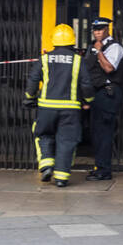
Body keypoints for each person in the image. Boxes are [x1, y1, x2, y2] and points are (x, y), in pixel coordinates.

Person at [24, 23, 93, 187]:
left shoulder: (45, 58)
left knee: (44, 135)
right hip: (70, 109)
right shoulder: (78, 60)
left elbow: (33, 80)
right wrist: (88, 101)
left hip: (46, 108)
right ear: (72, 41)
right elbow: (86, 84)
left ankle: (46, 166)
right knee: (67, 140)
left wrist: (29, 98)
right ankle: (61, 177)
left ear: (53, 40)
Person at [85, 15, 123, 181]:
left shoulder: (115, 47)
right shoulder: (93, 46)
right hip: (96, 94)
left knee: (104, 133)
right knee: (96, 132)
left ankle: (104, 171)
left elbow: (109, 68)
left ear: (107, 29)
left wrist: (100, 51)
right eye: (95, 29)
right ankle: (99, 167)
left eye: (100, 29)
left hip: (108, 92)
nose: (97, 32)